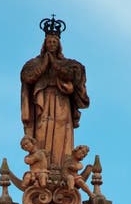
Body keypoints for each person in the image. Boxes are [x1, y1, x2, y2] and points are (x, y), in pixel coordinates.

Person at [21, 29, 89, 167]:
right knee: (42, 128)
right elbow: (27, 76)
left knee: (61, 129)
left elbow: (75, 74)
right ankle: (42, 164)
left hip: (61, 101)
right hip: (43, 100)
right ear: (44, 44)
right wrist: (45, 63)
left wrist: (55, 64)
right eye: (49, 42)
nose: (52, 44)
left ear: (59, 45)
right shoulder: (35, 63)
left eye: (54, 42)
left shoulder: (67, 64)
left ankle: (61, 164)